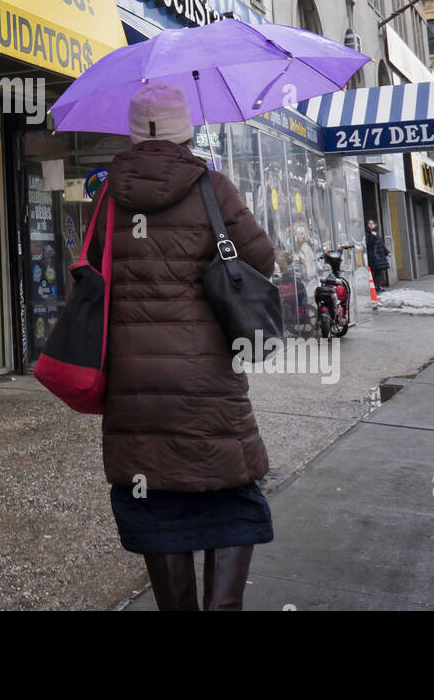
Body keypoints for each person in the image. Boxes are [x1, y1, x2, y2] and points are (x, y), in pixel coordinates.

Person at [93, 81, 275, 611]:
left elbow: (92, 271)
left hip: (134, 383)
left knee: (156, 499)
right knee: (229, 485)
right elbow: (260, 262)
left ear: (133, 132)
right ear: (185, 130)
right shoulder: (211, 187)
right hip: (207, 379)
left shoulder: (108, 194)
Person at [366, 219, 391, 292]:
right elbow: (368, 243)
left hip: (380, 255)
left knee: (380, 272)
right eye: (369, 224)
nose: (370, 225)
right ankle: (374, 286)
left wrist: (387, 252)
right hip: (373, 255)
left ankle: (379, 286)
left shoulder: (377, 232)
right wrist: (373, 236)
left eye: (372, 223)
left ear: (375, 225)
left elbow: (381, 244)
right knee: (374, 271)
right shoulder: (367, 233)